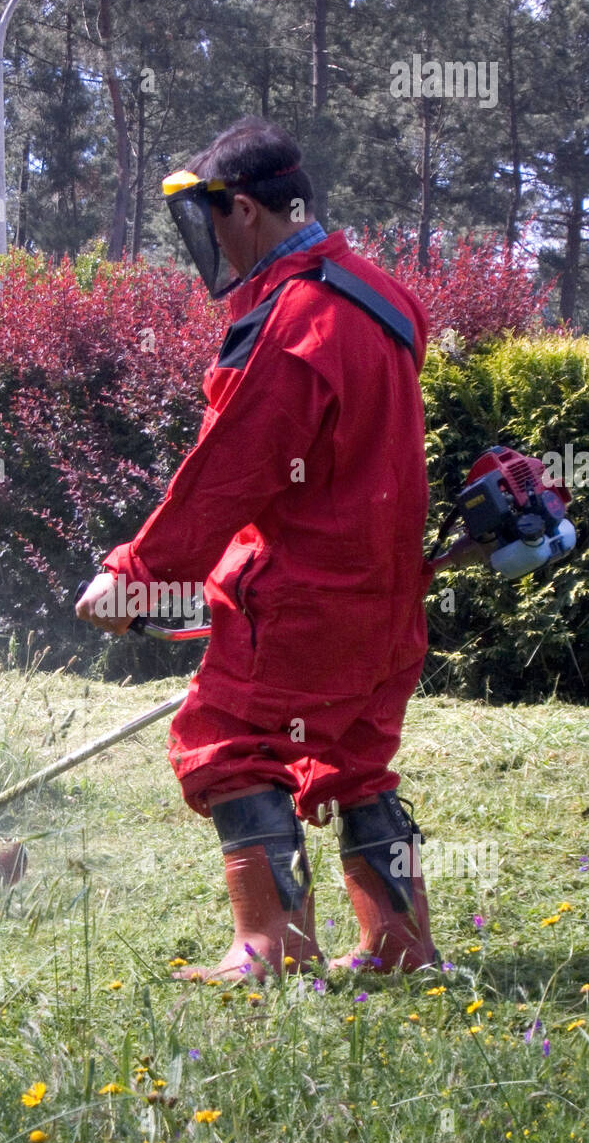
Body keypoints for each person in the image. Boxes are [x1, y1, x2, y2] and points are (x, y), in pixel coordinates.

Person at [75, 116, 438, 982]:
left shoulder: (293, 323)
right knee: (355, 763)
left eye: (211, 220)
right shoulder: (377, 293)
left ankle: (267, 951)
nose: (207, 243)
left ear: (244, 209)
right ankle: (403, 948)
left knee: (226, 740)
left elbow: (227, 476)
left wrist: (134, 574)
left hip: (304, 598)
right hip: (387, 599)